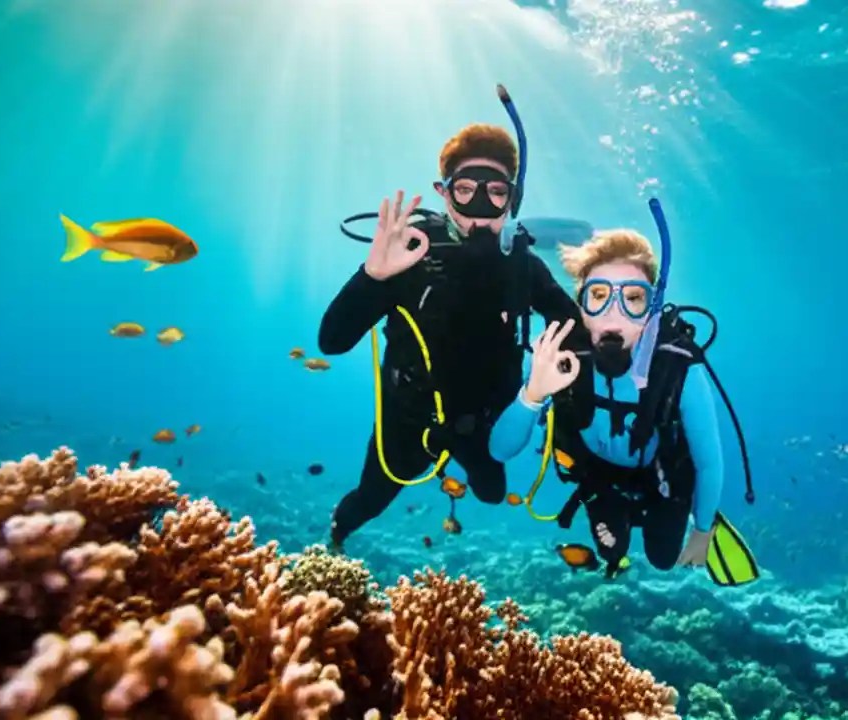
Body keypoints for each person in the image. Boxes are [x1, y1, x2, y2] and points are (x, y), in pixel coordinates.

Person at [318, 122, 583, 551]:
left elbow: (577, 333)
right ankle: (333, 538)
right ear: (443, 194)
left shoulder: (523, 267)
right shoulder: (410, 258)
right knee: (370, 499)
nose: (480, 208)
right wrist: (372, 277)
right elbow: (331, 342)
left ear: (512, 199)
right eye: (465, 190)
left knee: (492, 492)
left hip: (486, 421)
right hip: (410, 417)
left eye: (495, 192)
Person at [489, 226, 758, 583]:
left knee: (663, 559)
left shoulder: (679, 369)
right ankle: (621, 523)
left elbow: (709, 462)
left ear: (651, 310)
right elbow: (499, 450)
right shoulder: (559, 358)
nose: (614, 316)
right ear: (581, 307)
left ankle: (673, 514)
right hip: (600, 476)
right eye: (598, 296)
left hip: (661, 475)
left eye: (633, 298)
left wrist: (703, 529)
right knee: (611, 552)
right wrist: (533, 394)